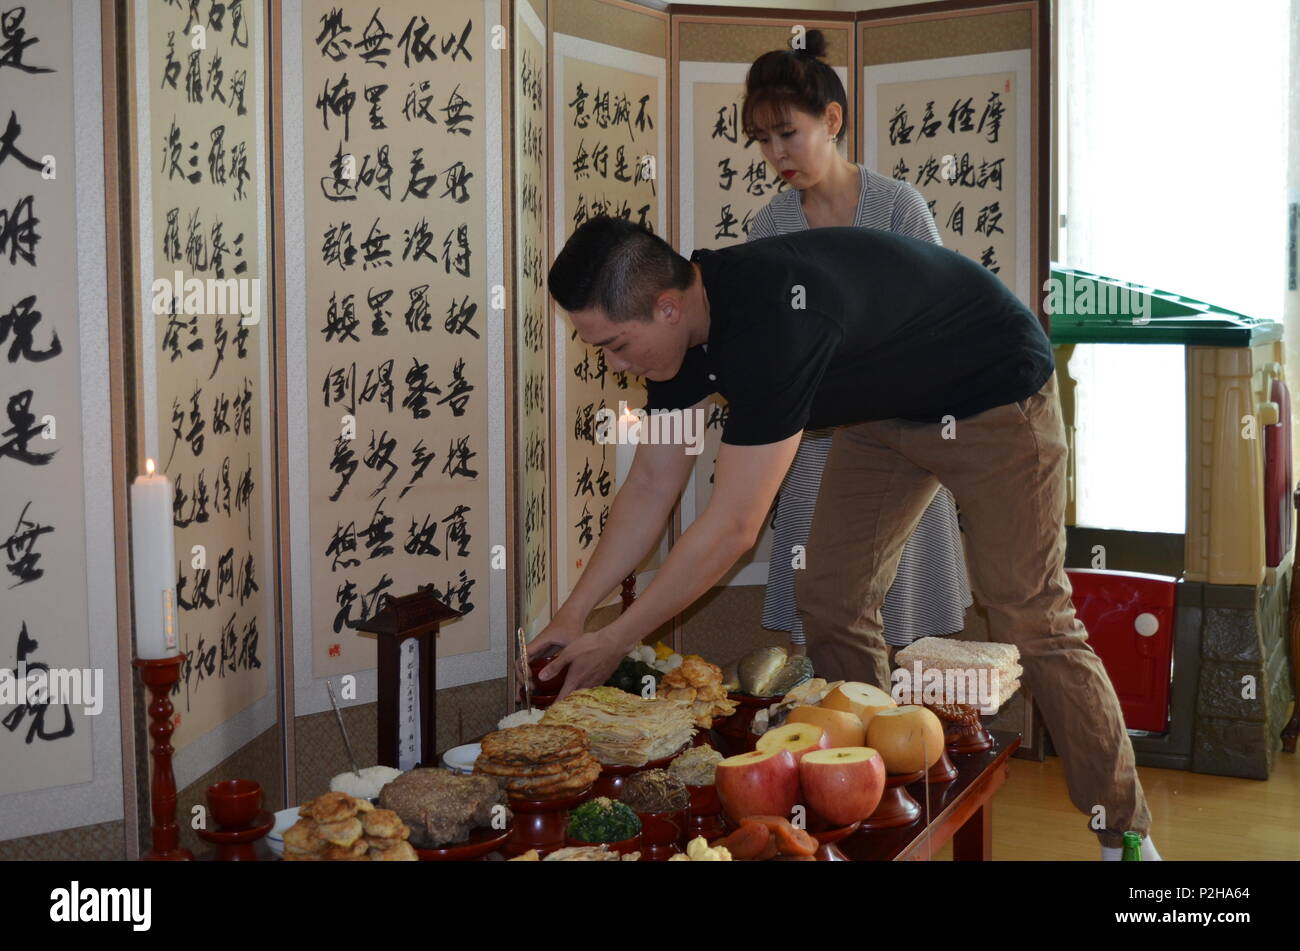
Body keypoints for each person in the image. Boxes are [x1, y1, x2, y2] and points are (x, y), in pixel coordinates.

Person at [533, 215, 1160, 859]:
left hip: (995, 396)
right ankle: (876, 801)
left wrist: (615, 638)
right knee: (832, 596)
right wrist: (575, 613)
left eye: (613, 345)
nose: (612, 363)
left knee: (1030, 618)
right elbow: (649, 487)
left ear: (666, 308)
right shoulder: (683, 334)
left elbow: (732, 529)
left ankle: (1126, 835)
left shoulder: (769, 324)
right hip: (889, 407)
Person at [741, 30, 971, 660]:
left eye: (787, 133)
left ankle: (906, 754)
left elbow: (940, 330)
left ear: (832, 120)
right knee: (827, 623)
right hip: (814, 447)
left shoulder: (899, 208)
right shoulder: (771, 227)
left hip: (903, 439)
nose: (776, 153)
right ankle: (841, 751)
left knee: (904, 634)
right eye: (763, 139)